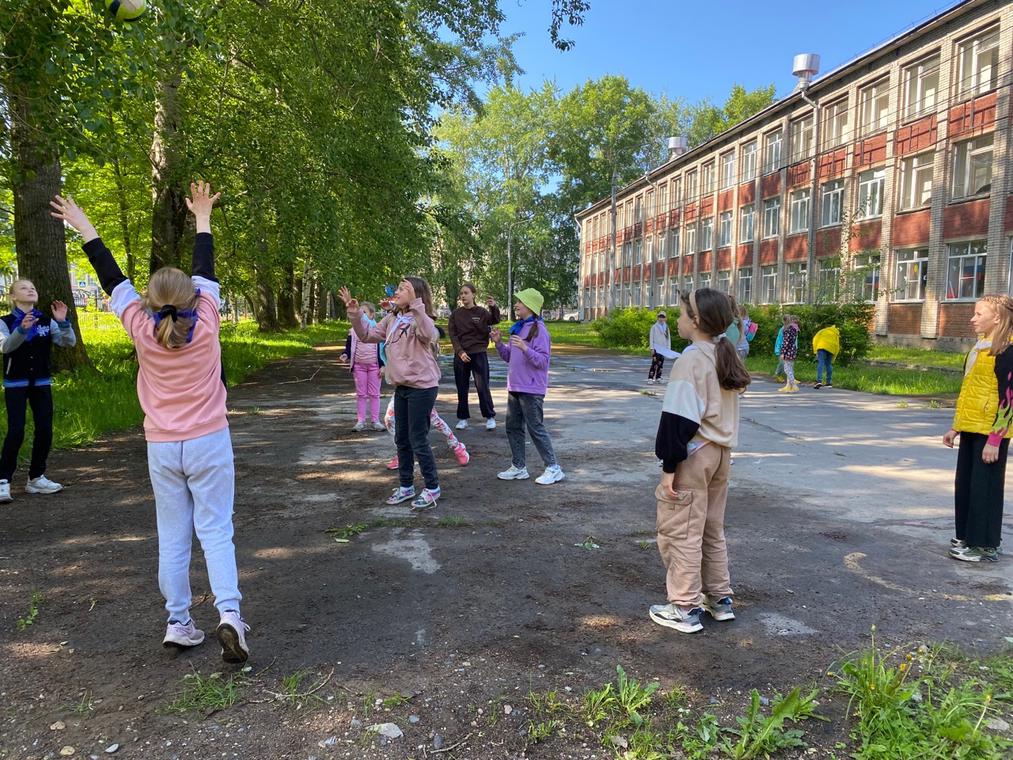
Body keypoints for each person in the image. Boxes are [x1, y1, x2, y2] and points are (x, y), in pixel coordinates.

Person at [50, 184, 250, 663]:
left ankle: (179, 622)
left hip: (162, 447)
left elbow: (109, 276)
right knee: (216, 530)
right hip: (209, 440)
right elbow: (205, 268)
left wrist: (85, 227)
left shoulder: (139, 324)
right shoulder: (207, 317)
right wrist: (203, 216)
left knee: (173, 535)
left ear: (149, 299)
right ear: (191, 296)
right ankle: (228, 615)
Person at [650, 288, 750, 634]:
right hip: (721, 454)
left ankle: (683, 607)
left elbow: (677, 419)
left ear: (696, 321)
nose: (676, 319)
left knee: (681, 530)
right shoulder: (724, 353)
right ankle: (719, 599)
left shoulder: (691, 358)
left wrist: (668, 468)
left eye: (680, 314)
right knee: (710, 528)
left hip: (694, 455)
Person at [339, 278, 443, 511]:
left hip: (423, 387)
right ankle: (406, 486)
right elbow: (367, 335)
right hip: (403, 387)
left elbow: (428, 334)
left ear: (416, 295)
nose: (397, 292)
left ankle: (432, 487)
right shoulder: (392, 318)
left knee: (418, 438)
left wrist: (417, 306)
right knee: (402, 438)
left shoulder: (421, 318)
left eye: (403, 288)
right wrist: (355, 314)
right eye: (398, 288)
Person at [942, 294, 1013, 563]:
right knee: (967, 485)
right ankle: (968, 536)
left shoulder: (1007, 351)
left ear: (997, 318)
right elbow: (970, 392)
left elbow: (1009, 399)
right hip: (972, 426)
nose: (972, 318)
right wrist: (956, 427)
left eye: (979, 314)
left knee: (986, 488)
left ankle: (984, 546)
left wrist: (995, 440)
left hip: (990, 432)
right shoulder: (981, 348)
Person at [0, 281, 77, 502]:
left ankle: (36, 478)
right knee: (16, 430)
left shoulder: (46, 321)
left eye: (33, 287)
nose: (31, 290)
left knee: (45, 429)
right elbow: (5, 347)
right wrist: (22, 329)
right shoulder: (5, 322)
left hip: (41, 382)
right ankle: (3, 479)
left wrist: (62, 323)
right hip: (16, 383)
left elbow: (68, 343)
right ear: (13, 296)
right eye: (24, 288)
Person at [491, 288, 564, 485]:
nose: (516, 305)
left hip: (531, 389)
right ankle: (519, 467)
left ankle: (553, 468)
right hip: (515, 387)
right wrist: (499, 344)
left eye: (519, 302)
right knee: (513, 427)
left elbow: (543, 361)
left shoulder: (540, 330)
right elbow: (510, 358)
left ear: (530, 306)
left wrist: (525, 348)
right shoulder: (519, 328)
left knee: (535, 428)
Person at [448, 283, 500, 430]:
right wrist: (460, 352)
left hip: (478, 354)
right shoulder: (456, 315)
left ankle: (489, 416)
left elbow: (495, 320)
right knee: (462, 387)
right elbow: (453, 335)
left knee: (482, 386)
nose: (463, 296)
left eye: (466, 293)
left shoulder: (482, 312)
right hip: (461, 355)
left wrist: (493, 306)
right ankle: (463, 418)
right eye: (461, 293)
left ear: (473, 294)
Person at [339, 301, 385, 432]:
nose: (362, 315)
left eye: (364, 312)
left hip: (375, 366)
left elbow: (382, 349)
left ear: (372, 315)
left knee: (374, 394)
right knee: (361, 394)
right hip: (359, 366)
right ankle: (361, 421)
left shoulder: (378, 329)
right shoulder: (353, 331)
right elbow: (348, 347)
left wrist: (383, 365)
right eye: (361, 312)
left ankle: (375, 421)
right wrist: (345, 355)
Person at [812, 324, 841, 389]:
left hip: (821, 347)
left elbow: (815, 340)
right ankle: (828, 383)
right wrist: (834, 358)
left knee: (821, 363)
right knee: (829, 364)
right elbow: (837, 346)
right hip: (831, 349)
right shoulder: (835, 334)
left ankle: (819, 381)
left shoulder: (822, 331)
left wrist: (815, 351)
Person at [648, 311, 673, 384]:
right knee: (654, 363)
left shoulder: (666, 327)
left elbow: (668, 339)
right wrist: (652, 348)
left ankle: (658, 377)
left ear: (665, 319)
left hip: (663, 348)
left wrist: (668, 349)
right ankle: (650, 378)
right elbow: (651, 338)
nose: (661, 319)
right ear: (657, 318)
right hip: (656, 348)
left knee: (661, 364)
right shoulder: (654, 327)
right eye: (660, 317)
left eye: (663, 317)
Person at [778, 315, 800, 393]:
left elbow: (786, 343)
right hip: (793, 350)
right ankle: (788, 387)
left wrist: (783, 353)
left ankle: (793, 384)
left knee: (787, 368)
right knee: (790, 367)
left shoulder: (787, 329)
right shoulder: (794, 329)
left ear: (784, 321)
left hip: (788, 351)